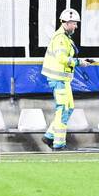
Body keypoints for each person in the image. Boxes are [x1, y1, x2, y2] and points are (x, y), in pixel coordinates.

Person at [41, 8, 92, 151]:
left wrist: (79, 60)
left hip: (64, 80)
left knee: (68, 109)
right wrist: (79, 62)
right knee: (63, 110)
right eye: (74, 23)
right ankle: (59, 144)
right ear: (67, 23)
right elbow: (61, 58)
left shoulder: (64, 37)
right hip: (58, 80)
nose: (76, 26)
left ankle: (49, 136)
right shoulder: (60, 39)